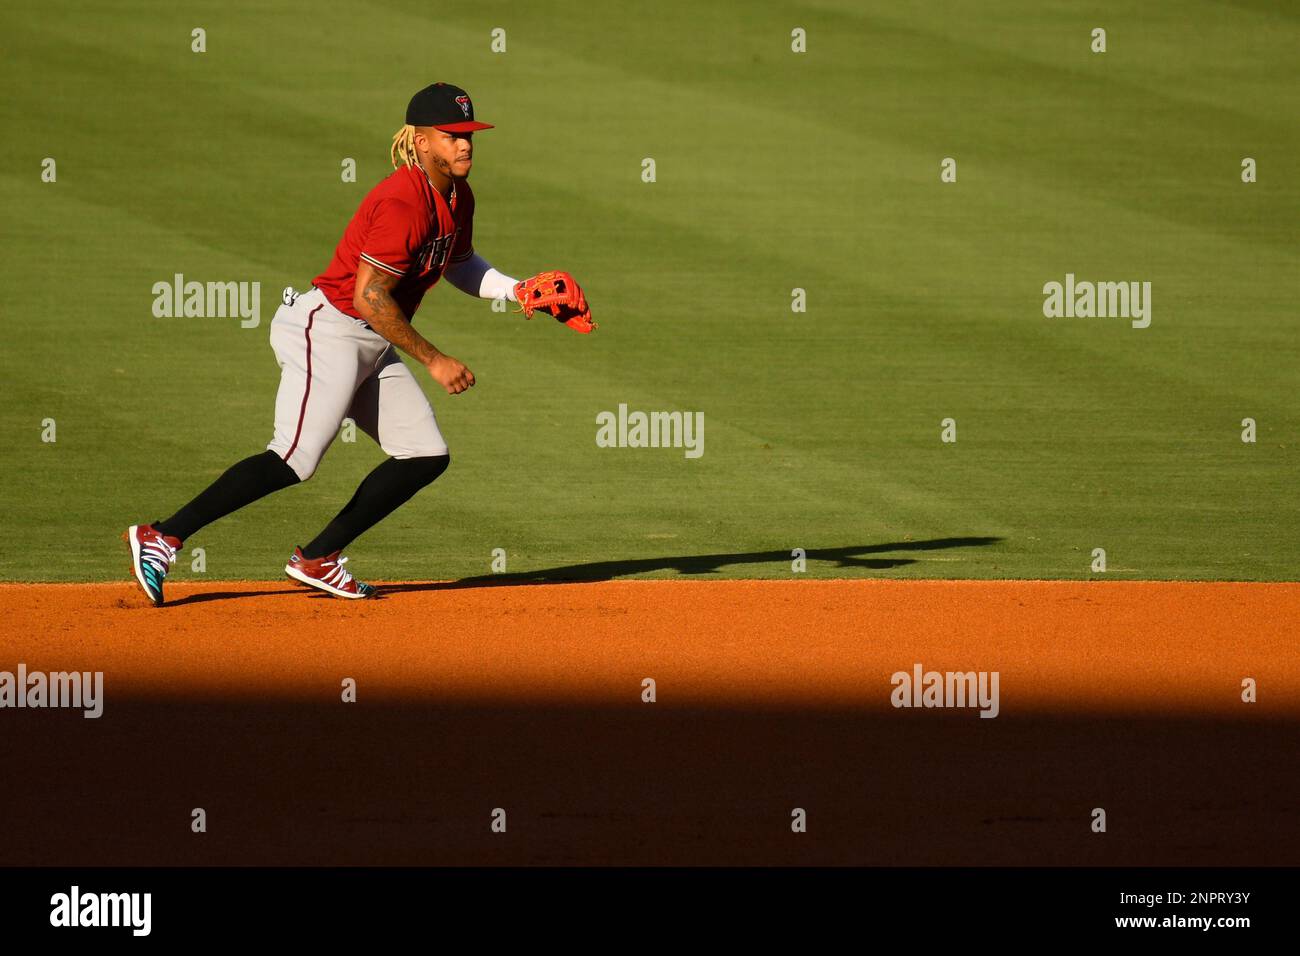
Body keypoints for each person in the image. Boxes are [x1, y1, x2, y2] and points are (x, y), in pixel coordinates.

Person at [126, 82, 592, 604]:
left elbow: (458, 262)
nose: (464, 145)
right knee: (293, 459)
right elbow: (369, 297)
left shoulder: (458, 197)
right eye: (451, 135)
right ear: (420, 142)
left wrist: (517, 290)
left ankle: (319, 558)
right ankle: (161, 536)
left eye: (468, 134)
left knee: (424, 454)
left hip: (370, 338)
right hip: (328, 330)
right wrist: (434, 360)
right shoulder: (402, 201)